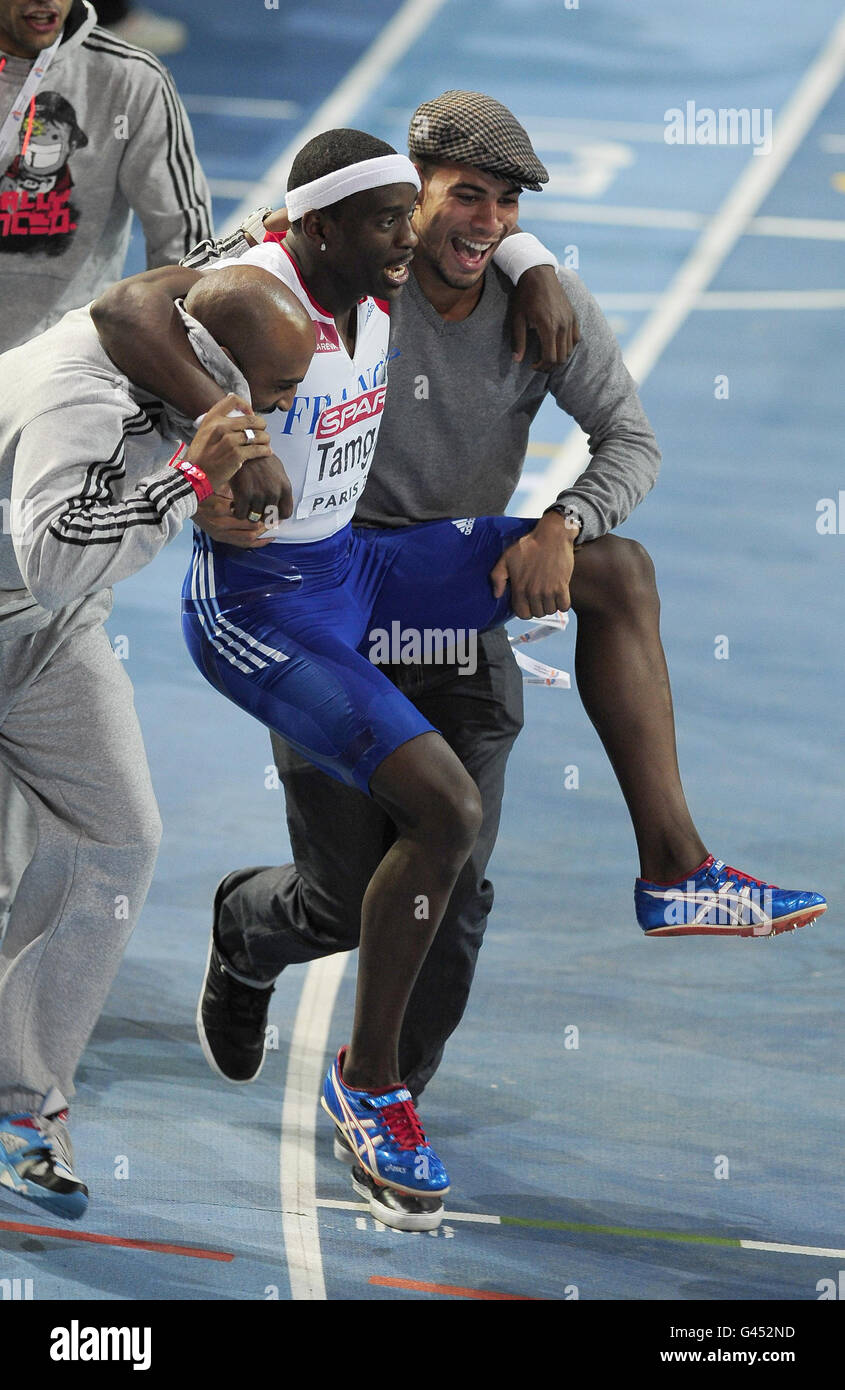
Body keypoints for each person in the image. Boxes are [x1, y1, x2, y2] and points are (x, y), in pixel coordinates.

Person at [92, 100, 826, 1228]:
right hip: (297, 605)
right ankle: (249, 932)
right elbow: (145, 299)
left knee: (468, 845)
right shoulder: (326, 263)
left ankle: (399, 1080)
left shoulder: (486, 276)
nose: (478, 226)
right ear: (396, 206)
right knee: (345, 901)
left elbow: (626, 437)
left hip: (414, 587)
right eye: (452, 202)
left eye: (510, 207)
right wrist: (224, 426)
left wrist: (562, 523)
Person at [0, 268, 314, 1222]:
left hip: (42, 639)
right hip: (38, 601)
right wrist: (189, 480)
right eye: (280, 393)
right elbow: (51, 555)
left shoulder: (176, 352)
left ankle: (22, 1108)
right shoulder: (79, 402)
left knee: (118, 835)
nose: (286, 410)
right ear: (214, 366)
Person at [0, 0, 212, 923]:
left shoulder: (130, 83)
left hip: (59, 425)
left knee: (35, 656)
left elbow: (188, 267)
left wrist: (173, 419)